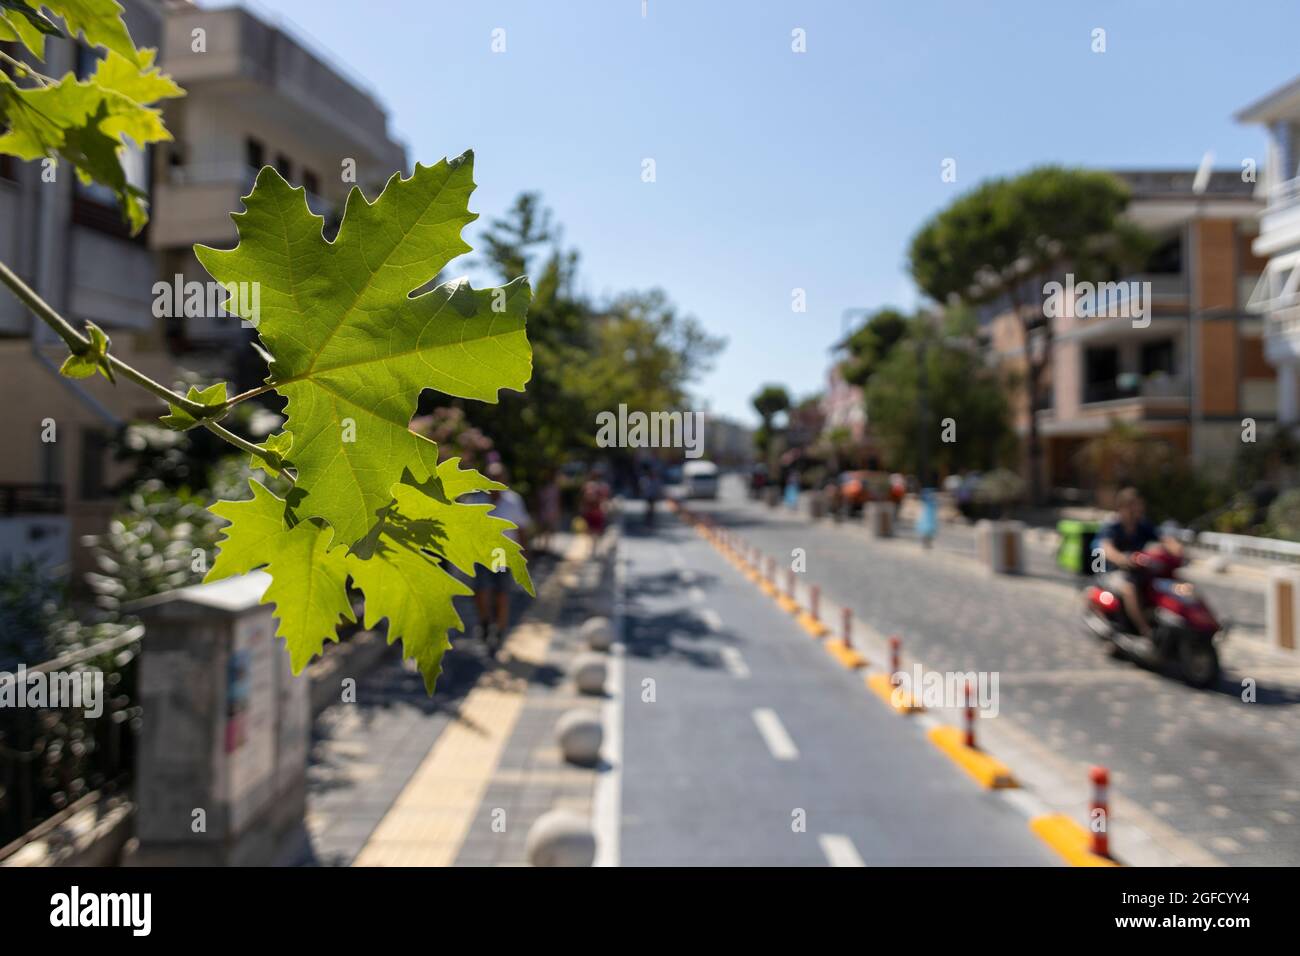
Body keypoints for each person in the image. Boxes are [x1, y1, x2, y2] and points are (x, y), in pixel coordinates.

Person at [1097, 487, 1183, 638]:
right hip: (1117, 572)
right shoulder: (1112, 526)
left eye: (1138, 506)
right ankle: (1144, 630)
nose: (1136, 510)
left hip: (1140, 570)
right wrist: (1122, 559)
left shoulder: (1143, 525)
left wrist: (1175, 548)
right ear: (1122, 507)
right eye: (1132, 506)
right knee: (1129, 589)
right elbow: (1106, 548)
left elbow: (1162, 538)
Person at [472, 462, 531, 656]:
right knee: (481, 591)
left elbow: (521, 529)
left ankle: (499, 630)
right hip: (482, 553)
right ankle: (485, 622)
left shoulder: (513, 501)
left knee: (501, 594)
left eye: (499, 478)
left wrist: (524, 554)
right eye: (491, 478)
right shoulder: (475, 500)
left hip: (502, 555)